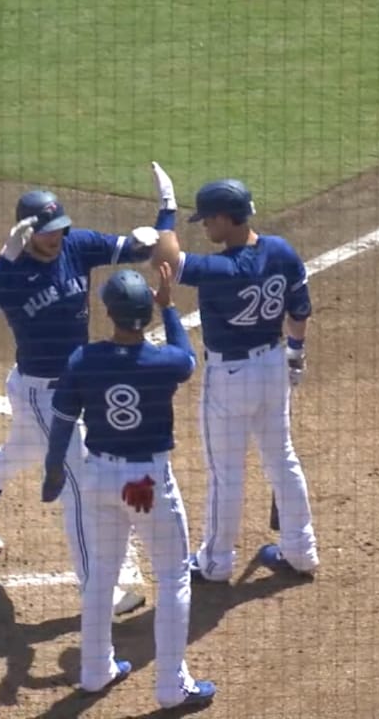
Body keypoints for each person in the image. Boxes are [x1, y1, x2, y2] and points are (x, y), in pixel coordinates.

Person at [0, 181, 174, 616]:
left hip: (78, 384)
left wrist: (156, 225)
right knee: (79, 484)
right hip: (41, 392)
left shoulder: (77, 245)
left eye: (59, 227)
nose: (56, 236)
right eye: (48, 230)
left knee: (21, 452)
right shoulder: (10, 271)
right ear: (26, 232)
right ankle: (98, 590)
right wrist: (5, 258)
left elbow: (136, 250)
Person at [38, 264, 216, 710]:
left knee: (101, 573)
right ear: (145, 314)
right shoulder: (165, 363)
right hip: (148, 482)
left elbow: (62, 420)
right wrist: (169, 306)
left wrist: (54, 470)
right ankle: (172, 686)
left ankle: (95, 671)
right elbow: (187, 356)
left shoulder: (85, 359)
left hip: (99, 478)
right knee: (174, 575)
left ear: (110, 313)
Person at [147, 163, 321, 580]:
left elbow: (163, 257)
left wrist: (167, 209)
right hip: (274, 366)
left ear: (226, 218)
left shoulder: (220, 270)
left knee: (226, 473)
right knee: (283, 458)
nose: (205, 226)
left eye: (207, 218)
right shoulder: (281, 251)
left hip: (229, 381)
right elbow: (300, 312)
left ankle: (215, 562)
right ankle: (301, 550)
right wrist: (296, 355)